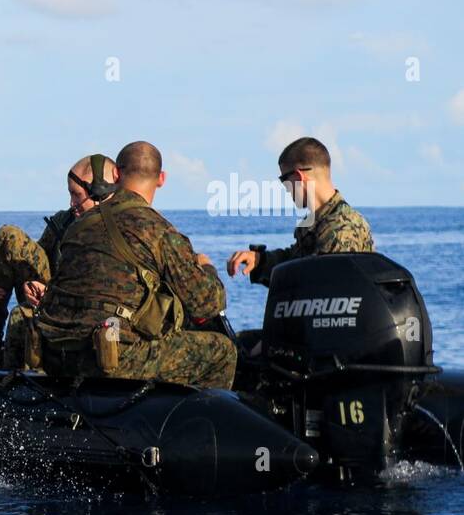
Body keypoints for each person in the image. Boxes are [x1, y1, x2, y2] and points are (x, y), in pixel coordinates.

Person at [36, 141, 237, 389]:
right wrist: (206, 267)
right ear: (161, 179)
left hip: (56, 354)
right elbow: (207, 304)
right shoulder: (159, 230)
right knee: (222, 352)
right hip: (108, 360)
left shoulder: (78, 225)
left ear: (117, 175)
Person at [0, 154, 119, 368]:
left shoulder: (119, 228)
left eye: (76, 195)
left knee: (20, 316)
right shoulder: (65, 220)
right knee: (8, 236)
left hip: (87, 308)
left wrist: (53, 295)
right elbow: (35, 260)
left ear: (98, 191)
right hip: (53, 295)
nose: (72, 203)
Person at [226, 136, 374, 285]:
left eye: (284, 179)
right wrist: (259, 260)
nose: (285, 189)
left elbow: (318, 289)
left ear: (298, 178)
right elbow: (295, 261)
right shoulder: (319, 222)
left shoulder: (342, 229)